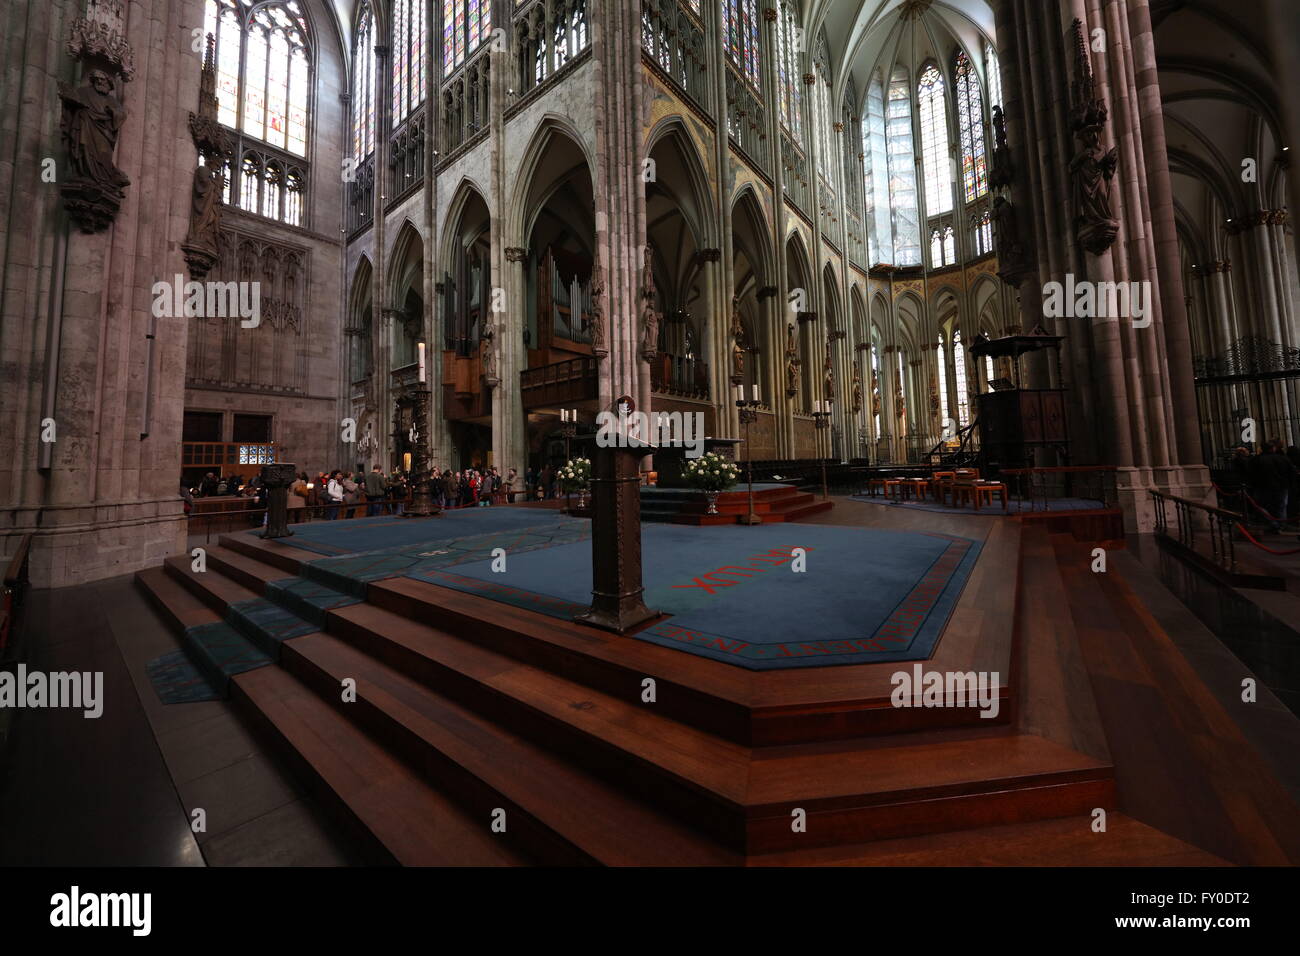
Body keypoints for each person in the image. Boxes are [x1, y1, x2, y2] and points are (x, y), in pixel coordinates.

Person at [1248, 440, 1297, 534]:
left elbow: (1251, 474)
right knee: (1281, 506)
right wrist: (1290, 484)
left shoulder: (1257, 460)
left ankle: (1274, 524)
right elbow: (1292, 472)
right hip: (1282, 486)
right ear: (1273, 448)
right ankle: (1281, 525)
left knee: (1260, 506)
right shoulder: (1282, 458)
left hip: (1263, 487)